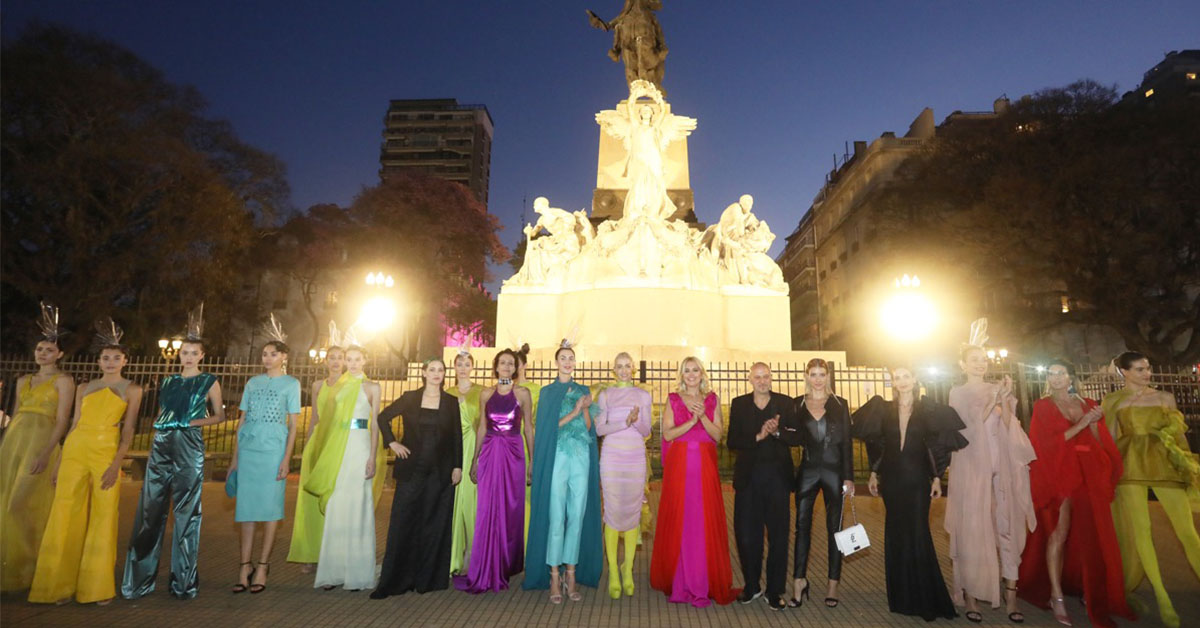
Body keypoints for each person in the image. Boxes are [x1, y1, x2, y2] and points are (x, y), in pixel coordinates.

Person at [29, 322, 143, 605]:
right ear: (98, 361)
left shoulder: (133, 389)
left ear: (125, 361)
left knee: (104, 515)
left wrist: (118, 462)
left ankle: (97, 587)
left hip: (106, 451)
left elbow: (128, 430)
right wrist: (59, 462)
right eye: (106, 357)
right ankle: (57, 585)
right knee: (64, 513)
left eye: (117, 357)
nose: (111, 362)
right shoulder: (84, 387)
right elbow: (74, 424)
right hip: (76, 449)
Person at [1018, 358, 1131, 627]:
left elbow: (1100, 442)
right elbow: (1043, 445)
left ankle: (1088, 587)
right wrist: (1081, 425)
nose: (1056, 378)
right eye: (1051, 373)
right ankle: (1056, 596)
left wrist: (1093, 422)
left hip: (1088, 474)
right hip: (1060, 474)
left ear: (1071, 377)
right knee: (1059, 531)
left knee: (1091, 534)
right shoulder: (1043, 406)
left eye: (1061, 373)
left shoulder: (1088, 404)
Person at [122, 305, 226, 600]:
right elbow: (162, 412)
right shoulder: (168, 381)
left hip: (190, 444)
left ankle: (183, 582)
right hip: (162, 444)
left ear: (202, 356)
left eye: (194, 353)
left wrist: (193, 421)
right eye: (185, 352)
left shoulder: (209, 381)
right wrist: (160, 425)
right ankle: (140, 581)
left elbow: (220, 416)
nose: (188, 356)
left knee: (187, 513)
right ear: (179, 354)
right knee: (149, 511)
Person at [853, 366, 966, 622]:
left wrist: (937, 477)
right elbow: (878, 446)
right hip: (892, 481)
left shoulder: (928, 410)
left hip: (917, 480)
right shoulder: (884, 410)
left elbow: (934, 447)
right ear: (892, 382)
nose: (901, 381)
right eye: (896, 377)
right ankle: (902, 598)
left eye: (905, 376)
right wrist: (873, 473)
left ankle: (927, 599)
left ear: (914, 379)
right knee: (896, 533)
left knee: (918, 533)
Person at [944, 319, 1036, 623]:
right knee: (973, 533)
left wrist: (1006, 404)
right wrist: (992, 402)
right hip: (972, 473)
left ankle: (1011, 598)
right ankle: (971, 595)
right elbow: (966, 432)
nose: (981, 364)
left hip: (1002, 473)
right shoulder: (957, 393)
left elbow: (1012, 430)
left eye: (984, 360)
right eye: (974, 360)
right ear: (962, 364)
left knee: (1006, 530)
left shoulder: (999, 390)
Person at [1104, 351, 1200, 628]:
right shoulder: (1113, 401)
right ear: (1123, 372)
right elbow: (1109, 441)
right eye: (1138, 370)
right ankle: (1162, 597)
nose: (1146, 374)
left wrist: (1188, 467)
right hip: (1130, 467)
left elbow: (1180, 437)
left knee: (1187, 532)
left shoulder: (1164, 397)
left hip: (1163, 464)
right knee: (1141, 532)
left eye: (1147, 368)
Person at [649, 356, 739, 607]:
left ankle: (702, 582)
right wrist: (690, 421)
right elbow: (667, 433)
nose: (691, 374)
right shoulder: (673, 399)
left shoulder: (712, 399)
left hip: (705, 468)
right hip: (679, 467)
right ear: (682, 375)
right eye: (686, 370)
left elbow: (718, 435)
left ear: (702, 374)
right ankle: (680, 583)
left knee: (702, 522)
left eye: (695, 370)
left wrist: (703, 419)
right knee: (681, 520)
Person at [371, 358, 463, 598]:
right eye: (431, 369)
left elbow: (456, 437)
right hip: (412, 469)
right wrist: (392, 442)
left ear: (444, 375)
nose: (436, 373)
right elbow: (382, 417)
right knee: (404, 521)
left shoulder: (451, 402)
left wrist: (457, 466)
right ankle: (396, 580)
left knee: (433, 524)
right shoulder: (410, 397)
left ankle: (428, 579)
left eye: (440, 370)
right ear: (423, 373)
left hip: (440, 473)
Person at [1, 304, 74, 593]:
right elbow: (16, 414)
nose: (42, 353)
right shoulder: (23, 380)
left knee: (23, 504)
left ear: (60, 354)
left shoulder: (64, 381)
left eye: (49, 350)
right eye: (39, 349)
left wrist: (47, 452)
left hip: (40, 445)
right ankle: (9, 569)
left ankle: (31, 567)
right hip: (15, 443)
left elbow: (62, 420)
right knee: (5, 503)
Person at [524, 341, 603, 604]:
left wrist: (587, 409)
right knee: (556, 516)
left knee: (577, 515)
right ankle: (554, 575)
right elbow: (548, 427)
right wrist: (576, 410)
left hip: (580, 456)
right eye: (563, 358)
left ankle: (572, 573)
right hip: (558, 457)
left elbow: (589, 427)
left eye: (571, 358)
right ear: (556, 362)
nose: (567, 362)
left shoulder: (583, 389)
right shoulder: (548, 392)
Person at [455, 349, 533, 593]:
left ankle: (505, 564)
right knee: (488, 509)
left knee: (511, 509)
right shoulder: (486, 394)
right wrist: (475, 459)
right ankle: (486, 566)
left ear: (515, 367)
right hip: (490, 452)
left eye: (511, 363)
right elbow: (481, 429)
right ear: (496, 367)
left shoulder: (523, 393)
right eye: (503, 363)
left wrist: (534, 460)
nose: (507, 367)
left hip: (514, 453)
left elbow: (529, 428)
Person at [228, 335, 300, 594]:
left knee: (270, 510)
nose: (267, 358)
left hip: (273, 451)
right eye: (265, 354)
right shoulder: (252, 383)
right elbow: (242, 420)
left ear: (284, 357)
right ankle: (243, 566)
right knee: (245, 511)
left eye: (273, 353)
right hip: (249, 450)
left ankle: (262, 566)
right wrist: (235, 457)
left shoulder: (291, 384)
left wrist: (286, 459)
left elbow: (293, 426)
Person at [726, 362, 801, 610]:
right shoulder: (739, 404)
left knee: (779, 537)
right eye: (757, 377)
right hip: (748, 481)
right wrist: (758, 436)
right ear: (750, 379)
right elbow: (732, 441)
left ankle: (774, 590)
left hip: (777, 481)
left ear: (771, 378)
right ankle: (751, 586)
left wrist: (777, 432)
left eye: (765, 376)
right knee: (747, 537)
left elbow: (796, 437)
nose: (762, 381)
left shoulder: (785, 402)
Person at [310, 344, 382, 592]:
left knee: (358, 504)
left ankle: (358, 572)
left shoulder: (372, 387)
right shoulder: (337, 387)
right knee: (337, 504)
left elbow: (375, 425)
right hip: (337, 448)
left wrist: (372, 456)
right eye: (348, 359)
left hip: (360, 446)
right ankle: (334, 571)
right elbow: (326, 421)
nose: (351, 363)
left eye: (356, 359)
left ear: (365, 360)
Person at [791, 358, 854, 608]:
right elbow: (791, 436)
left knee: (835, 529)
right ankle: (798, 582)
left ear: (827, 376)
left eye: (822, 374)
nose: (817, 378)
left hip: (834, 472)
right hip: (807, 471)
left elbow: (847, 442)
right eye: (813, 374)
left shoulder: (840, 404)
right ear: (806, 376)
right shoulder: (797, 403)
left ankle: (832, 585)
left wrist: (849, 477)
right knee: (801, 527)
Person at [287, 335, 349, 573]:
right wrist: (308, 447)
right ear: (325, 361)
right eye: (331, 358)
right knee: (311, 501)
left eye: (339, 358)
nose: (335, 362)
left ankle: (333, 553)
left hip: (339, 444)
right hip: (318, 444)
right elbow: (314, 417)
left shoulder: (350, 385)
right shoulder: (317, 386)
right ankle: (311, 554)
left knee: (335, 499)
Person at [594, 352, 652, 599]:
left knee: (631, 510)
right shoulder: (605, 395)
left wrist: (636, 422)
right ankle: (614, 574)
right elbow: (599, 428)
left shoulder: (643, 395)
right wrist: (624, 423)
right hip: (612, 457)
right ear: (613, 370)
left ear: (633, 370)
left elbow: (647, 429)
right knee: (613, 511)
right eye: (619, 366)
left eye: (628, 366)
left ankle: (627, 569)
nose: (624, 369)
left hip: (635, 457)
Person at [448, 346, 484, 576]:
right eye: (459, 364)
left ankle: (473, 554)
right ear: (454, 367)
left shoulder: (482, 391)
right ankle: (452, 556)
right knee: (452, 504)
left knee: (471, 503)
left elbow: (486, 424)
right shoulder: (447, 392)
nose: (463, 368)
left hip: (473, 447)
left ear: (473, 367)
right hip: (452, 449)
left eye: (467, 364)